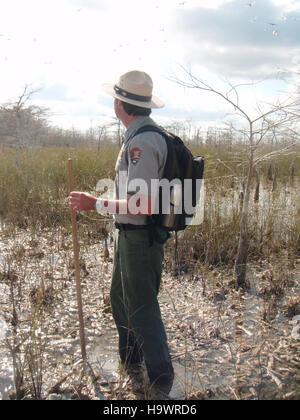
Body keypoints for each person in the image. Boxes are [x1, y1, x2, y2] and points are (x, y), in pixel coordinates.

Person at [69, 70, 174, 397]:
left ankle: (160, 383)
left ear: (121, 104)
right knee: (120, 298)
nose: (113, 103)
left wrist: (94, 203)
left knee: (142, 309)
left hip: (140, 239)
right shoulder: (138, 135)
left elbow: (141, 204)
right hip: (129, 236)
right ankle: (131, 361)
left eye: (116, 98)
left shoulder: (142, 142)